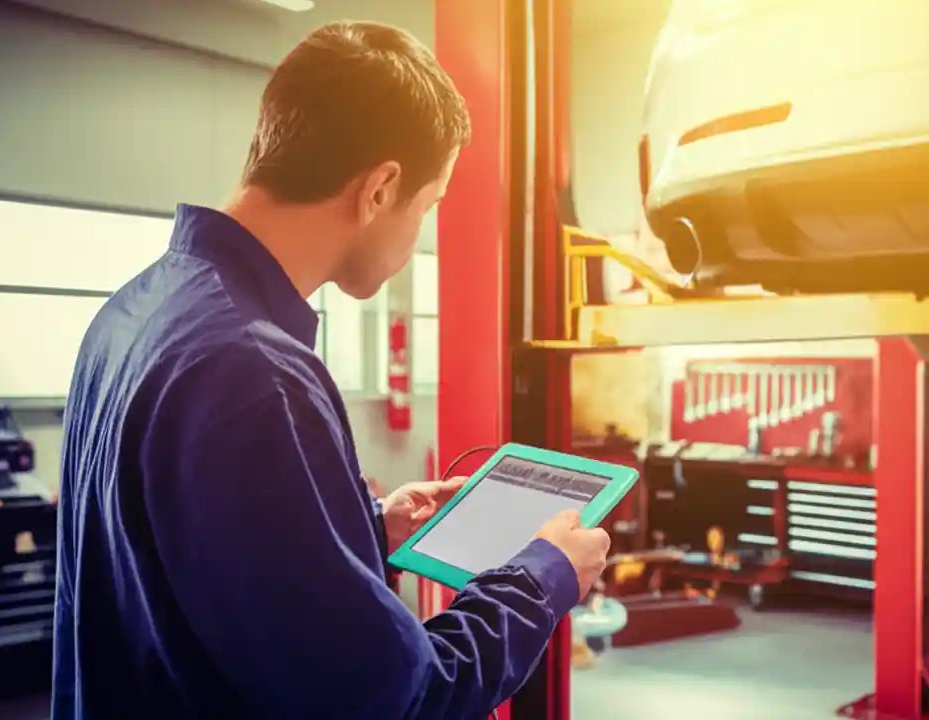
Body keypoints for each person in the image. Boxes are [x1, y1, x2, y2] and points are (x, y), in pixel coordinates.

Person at [52, 21, 610, 720]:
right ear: (379, 189)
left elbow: (196, 565)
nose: (421, 231)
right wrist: (545, 576)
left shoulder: (135, 311)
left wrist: (363, 530)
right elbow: (391, 700)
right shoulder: (256, 371)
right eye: (429, 206)